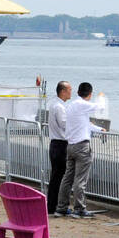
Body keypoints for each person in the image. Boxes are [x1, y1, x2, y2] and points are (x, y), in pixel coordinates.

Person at [56, 82, 97, 218]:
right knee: (80, 179)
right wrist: (102, 98)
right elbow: (99, 107)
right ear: (89, 94)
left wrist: (97, 129)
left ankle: (61, 207)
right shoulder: (82, 104)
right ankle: (79, 208)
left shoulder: (71, 105)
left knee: (67, 177)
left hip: (71, 146)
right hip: (82, 147)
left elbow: (84, 124)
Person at [46, 81, 71, 215]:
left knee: (56, 176)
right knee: (60, 177)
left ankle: (52, 205)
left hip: (55, 144)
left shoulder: (55, 104)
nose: (70, 92)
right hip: (60, 144)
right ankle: (56, 205)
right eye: (69, 90)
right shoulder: (59, 107)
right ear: (63, 91)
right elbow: (64, 125)